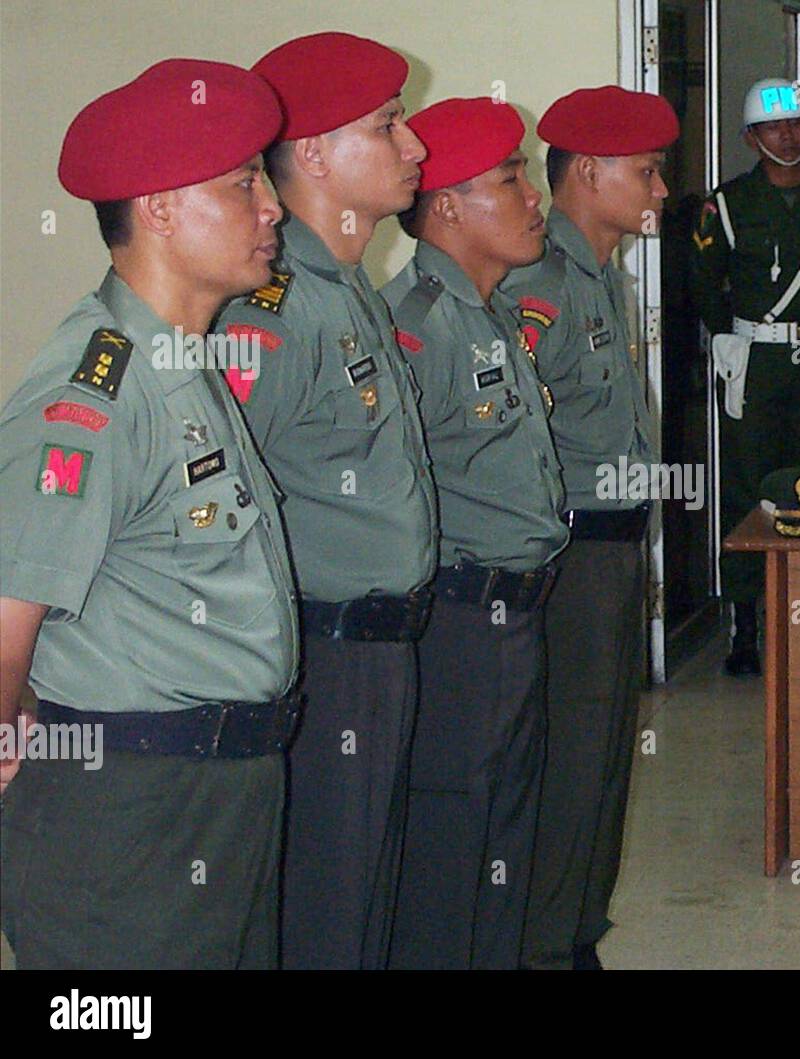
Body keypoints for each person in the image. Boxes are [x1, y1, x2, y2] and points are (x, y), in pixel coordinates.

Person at [0, 58, 298, 968]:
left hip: (222, 795)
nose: (272, 207)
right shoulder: (93, 398)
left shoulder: (188, 364)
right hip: (127, 812)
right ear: (160, 209)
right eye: (244, 183)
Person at [215, 32, 438, 970]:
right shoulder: (274, 308)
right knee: (326, 909)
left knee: (366, 903)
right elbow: (221, 505)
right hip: (326, 653)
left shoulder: (346, 287)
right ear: (312, 154)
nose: (416, 147)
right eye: (389, 127)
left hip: (380, 644)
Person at [381, 97, 568, 970]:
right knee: (452, 841)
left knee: (504, 838)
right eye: (510, 178)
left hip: (513, 616)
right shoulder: (414, 327)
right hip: (458, 621)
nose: (535, 197)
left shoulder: (491, 310)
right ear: (447, 206)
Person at [500, 85, 679, 970]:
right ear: (586, 171)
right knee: (568, 761)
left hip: (613, 546)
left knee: (606, 758)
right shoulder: (536, 284)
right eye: (645, 172)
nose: (660, 191)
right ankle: (544, 947)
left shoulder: (599, 271)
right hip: (569, 552)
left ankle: (577, 934)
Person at [691, 77, 800, 676]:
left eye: (796, 123)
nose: (787, 134)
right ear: (749, 136)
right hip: (756, 365)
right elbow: (704, 283)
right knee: (749, 487)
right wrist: (731, 343)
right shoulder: (726, 204)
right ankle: (746, 625)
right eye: (773, 126)